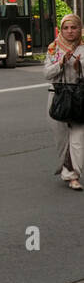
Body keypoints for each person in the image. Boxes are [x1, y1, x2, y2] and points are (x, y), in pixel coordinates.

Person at [45, 12, 84, 190]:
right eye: (66, 28)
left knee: (77, 140)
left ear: (80, 29)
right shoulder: (54, 48)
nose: (70, 31)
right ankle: (66, 169)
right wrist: (61, 63)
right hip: (58, 97)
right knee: (62, 141)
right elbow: (47, 74)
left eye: (73, 27)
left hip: (79, 98)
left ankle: (72, 175)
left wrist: (80, 67)